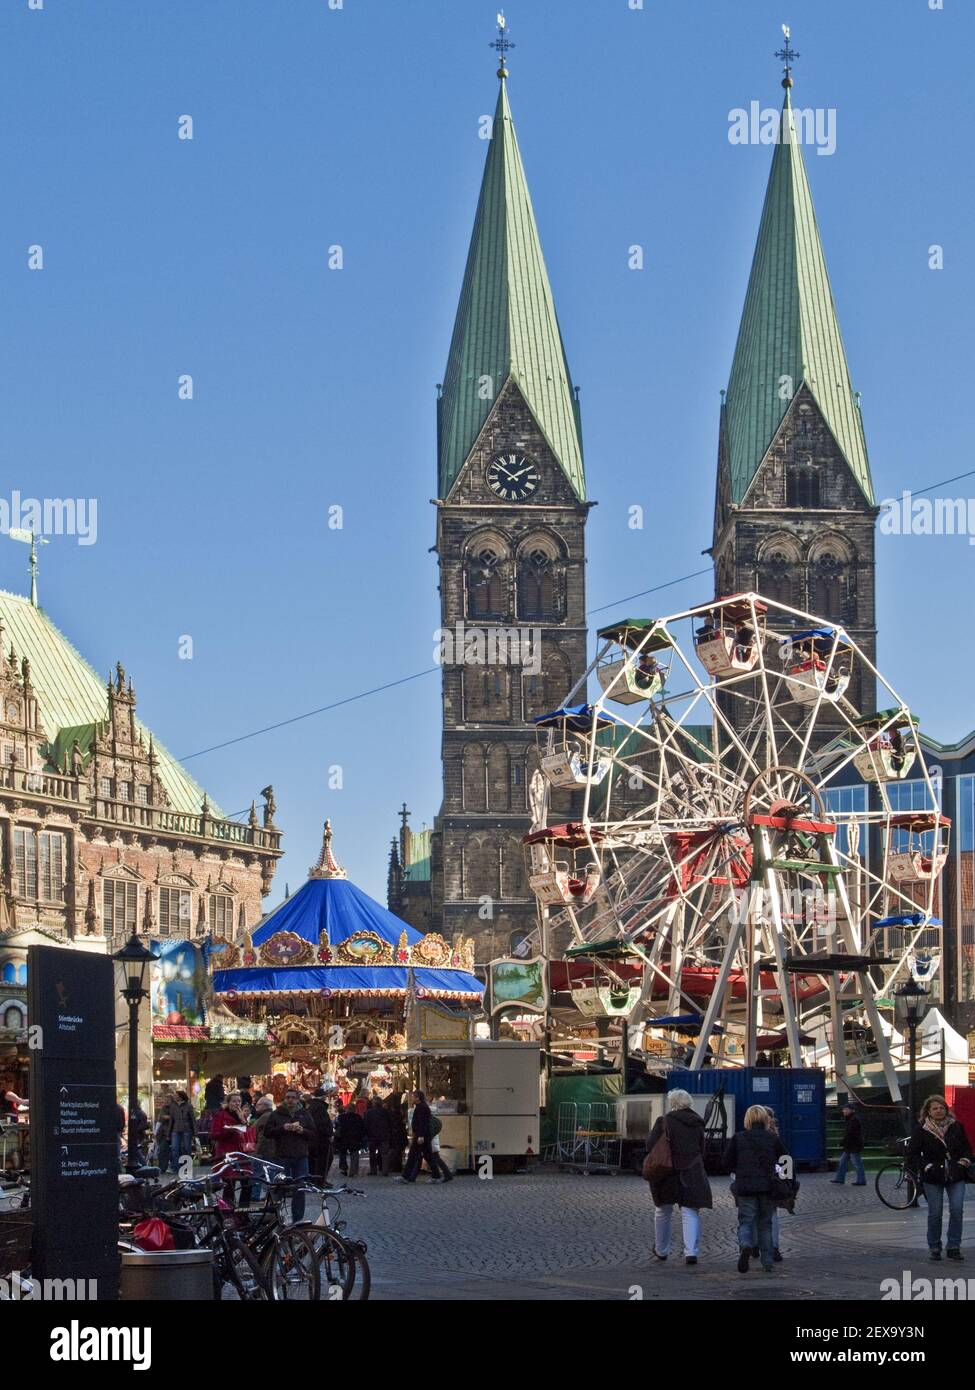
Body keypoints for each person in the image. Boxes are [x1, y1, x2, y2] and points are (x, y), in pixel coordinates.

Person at [644, 1089, 712, 1266]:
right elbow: (702, 1148)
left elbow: (650, 1145)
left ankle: (661, 1250)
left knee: (663, 1211)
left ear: (672, 1103)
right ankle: (691, 1252)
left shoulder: (664, 1122)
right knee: (690, 1212)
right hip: (691, 1171)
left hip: (667, 1172)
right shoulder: (697, 1123)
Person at [907, 1094, 972, 1261]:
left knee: (957, 1210)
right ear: (928, 1111)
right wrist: (926, 1166)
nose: (939, 1111)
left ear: (946, 1109)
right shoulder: (922, 1130)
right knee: (935, 1213)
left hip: (956, 1174)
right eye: (935, 1108)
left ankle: (954, 1246)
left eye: (941, 1108)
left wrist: (963, 1162)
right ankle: (934, 1246)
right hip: (933, 1175)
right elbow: (912, 1154)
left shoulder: (956, 1126)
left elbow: (966, 1148)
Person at [724, 1105, 786, 1274]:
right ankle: (768, 1262)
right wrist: (783, 1178)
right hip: (767, 1187)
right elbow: (785, 1159)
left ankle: (745, 1245)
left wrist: (739, 1170)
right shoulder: (772, 1138)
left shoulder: (738, 1138)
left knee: (745, 1221)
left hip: (745, 1187)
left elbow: (726, 1163)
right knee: (765, 1225)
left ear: (747, 1119)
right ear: (766, 1119)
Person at [265, 1088, 315, 1221]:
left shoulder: (304, 1114)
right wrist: (282, 1128)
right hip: (282, 1155)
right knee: (279, 1187)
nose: (290, 1100)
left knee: (300, 1188)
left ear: (298, 1099)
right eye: (287, 1097)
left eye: (293, 1097)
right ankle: (275, 1218)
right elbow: (267, 1132)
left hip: (300, 1155)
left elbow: (313, 1134)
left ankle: (297, 1220)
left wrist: (302, 1131)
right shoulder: (277, 1114)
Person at [399, 1090, 452, 1184]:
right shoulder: (421, 1107)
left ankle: (406, 1177)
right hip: (422, 1136)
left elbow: (423, 1123)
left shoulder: (422, 1108)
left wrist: (421, 1136)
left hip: (421, 1136)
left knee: (414, 1155)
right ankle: (435, 1176)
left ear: (418, 1098)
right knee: (428, 1156)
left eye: (413, 1096)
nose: (412, 1098)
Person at [831, 1103, 866, 1187]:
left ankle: (861, 1180)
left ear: (851, 1110)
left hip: (853, 1145)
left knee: (856, 1163)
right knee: (843, 1162)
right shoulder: (851, 1119)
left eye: (845, 1109)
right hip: (851, 1145)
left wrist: (842, 1142)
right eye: (844, 1109)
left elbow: (850, 1133)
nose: (843, 1111)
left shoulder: (853, 1120)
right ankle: (839, 1178)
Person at [305, 1087, 335, 1180]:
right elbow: (321, 1123)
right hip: (321, 1139)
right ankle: (320, 1181)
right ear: (323, 1097)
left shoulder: (313, 1106)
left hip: (315, 1139)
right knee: (323, 1161)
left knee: (317, 1161)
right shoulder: (319, 1107)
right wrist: (328, 1134)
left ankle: (318, 1180)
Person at [166, 1090, 196, 1175]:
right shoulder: (173, 1106)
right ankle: (176, 1168)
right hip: (175, 1130)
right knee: (175, 1149)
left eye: (176, 1095)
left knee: (186, 1149)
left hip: (186, 1130)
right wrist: (168, 1133)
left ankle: (187, 1168)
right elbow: (171, 1120)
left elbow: (192, 1119)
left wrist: (195, 1133)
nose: (174, 1096)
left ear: (180, 1096)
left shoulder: (188, 1106)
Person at [334, 1101, 367, 1178]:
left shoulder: (342, 1117)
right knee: (354, 1154)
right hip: (354, 1138)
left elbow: (337, 1127)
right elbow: (362, 1128)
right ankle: (353, 1171)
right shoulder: (358, 1117)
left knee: (342, 1153)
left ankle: (343, 1168)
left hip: (343, 1138)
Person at [364, 1096, 392, 1175]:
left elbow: (366, 1124)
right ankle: (385, 1170)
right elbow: (390, 1123)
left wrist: (367, 1134)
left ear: (373, 1103)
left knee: (372, 1153)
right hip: (383, 1135)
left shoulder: (368, 1112)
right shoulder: (385, 1112)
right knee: (384, 1154)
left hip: (372, 1136)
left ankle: (373, 1170)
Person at [385, 1093, 408, 1174]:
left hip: (394, 1133)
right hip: (400, 1133)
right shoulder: (400, 1110)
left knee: (394, 1150)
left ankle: (393, 1166)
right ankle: (397, 1166)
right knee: (398, 1151)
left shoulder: (391, 1110)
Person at [128, 1103, 150, 1169]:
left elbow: (143, 1125)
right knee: (136, 1150)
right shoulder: (138, 1112)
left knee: (136, 1150)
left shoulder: (138, 1113)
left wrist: (135, 1130)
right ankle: (142, 1164)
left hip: (137, 1135)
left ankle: (143, 1164)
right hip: (138, 1134)